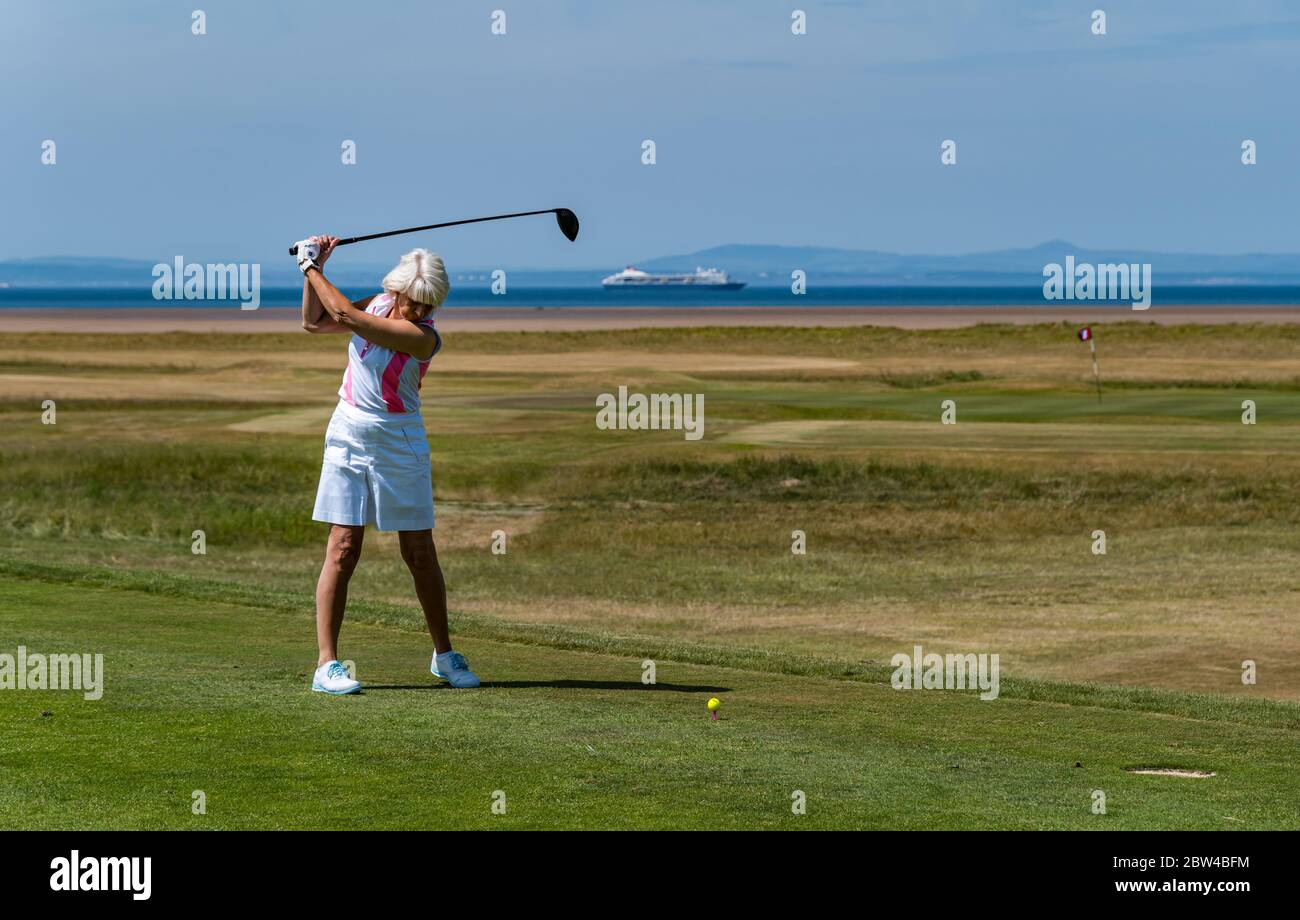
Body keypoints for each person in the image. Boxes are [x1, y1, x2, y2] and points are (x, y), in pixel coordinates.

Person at [294, 234, 480, 694]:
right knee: (342, 547)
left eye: (428, 303)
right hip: (347, 433)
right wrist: (316, 267)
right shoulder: (377, 305)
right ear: (396, 291)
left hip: (400, 440)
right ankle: (326, 665)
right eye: (413, 301)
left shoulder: (424, 338)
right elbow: (316, 322)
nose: (420, 310)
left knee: (419, 552)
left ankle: (444, 655)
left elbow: (341, 314)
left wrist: (311, 266)